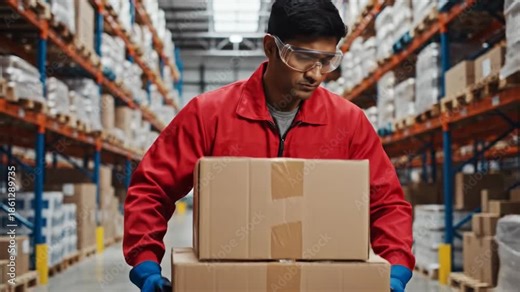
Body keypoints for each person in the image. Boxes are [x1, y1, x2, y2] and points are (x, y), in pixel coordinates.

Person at [124, 0, 415, 291]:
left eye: (326, 61)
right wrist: (146, 265)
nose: (315, 74)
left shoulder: (348, 123)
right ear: (270, 47)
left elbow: (387, 203)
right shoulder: (209, 114)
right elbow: (152, 189)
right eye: (303, 56)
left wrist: (396, 271)